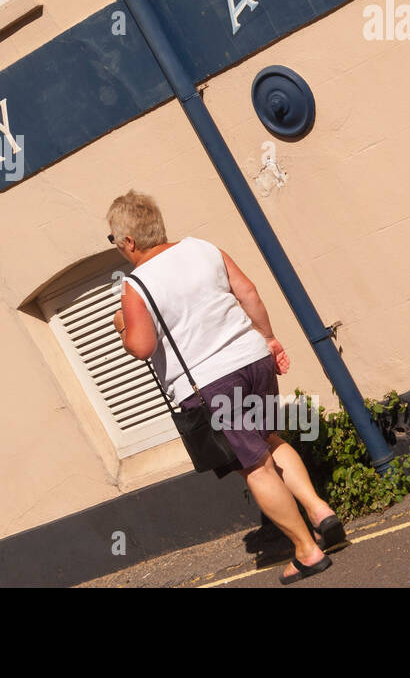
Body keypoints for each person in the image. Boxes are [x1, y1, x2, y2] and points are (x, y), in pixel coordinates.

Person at [106, 189, 347, 584]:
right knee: (269, 438)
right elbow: (248, 292)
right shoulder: (202, 247)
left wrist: (122, 327)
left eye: (115, 240)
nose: (118, 248)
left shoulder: (137, 285)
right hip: (253, 359)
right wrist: (268, 338)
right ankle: (320, 511)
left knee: (253, 466)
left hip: (211, 382)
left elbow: (142, 345)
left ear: (129, 241)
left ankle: (307, 551)